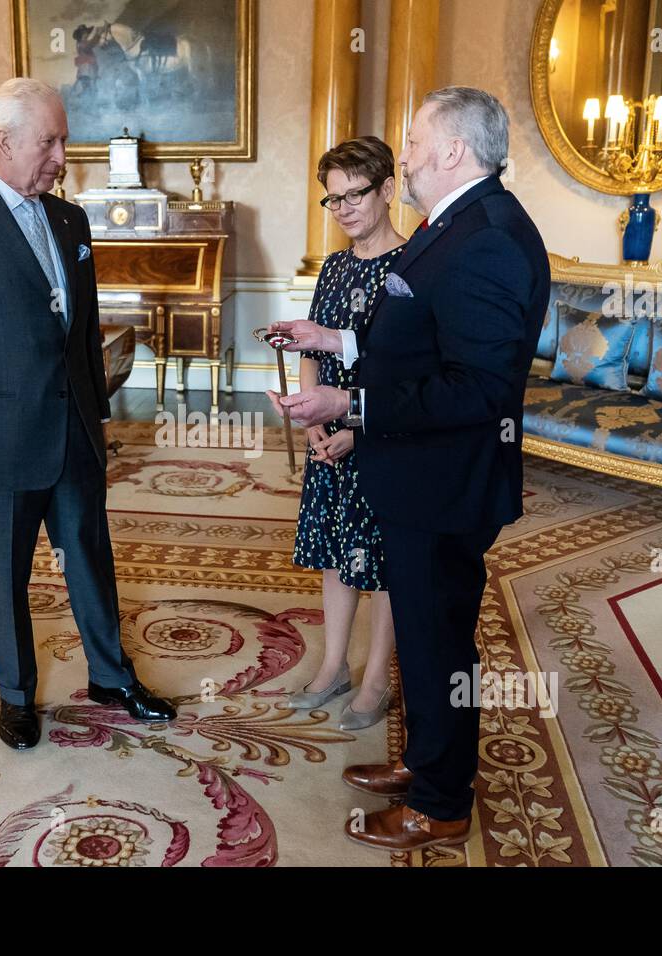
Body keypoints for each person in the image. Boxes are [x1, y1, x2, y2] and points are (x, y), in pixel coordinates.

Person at [267, 87, 550, 852]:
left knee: (437, 641)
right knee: (432, 639)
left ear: (454, 151)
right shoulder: (456, 222)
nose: (410, 155)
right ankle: (426, 765)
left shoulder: (485, 235)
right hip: (422, 476)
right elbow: (413, 339)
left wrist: (350, 408)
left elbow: (476, 387)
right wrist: (338, 351)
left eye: (418, 143)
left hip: (443, 483)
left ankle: (440, 802)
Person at [0, 77, 176, 752]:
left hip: (74, 434)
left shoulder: (69, 220)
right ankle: (19, 697)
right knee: (6, 576)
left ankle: (112, 677)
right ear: (3, 142)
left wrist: (97, 419)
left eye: (64, 140)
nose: (62, 156)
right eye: (49, 142)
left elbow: (83, 336)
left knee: (90, 558)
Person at [286, 136, 403, 732]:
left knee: (381, 561)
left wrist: (357, 430)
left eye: (357, 194)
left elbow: (405, 369)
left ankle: (378, 677)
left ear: (387, 190)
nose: (346, 208)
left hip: (380, 436)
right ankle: (333, 665)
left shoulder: (410, 266)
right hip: (328, 437)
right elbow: (312, 341)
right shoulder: (333, 266)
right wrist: (311, 415)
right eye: (334, 200)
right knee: (335, 550)